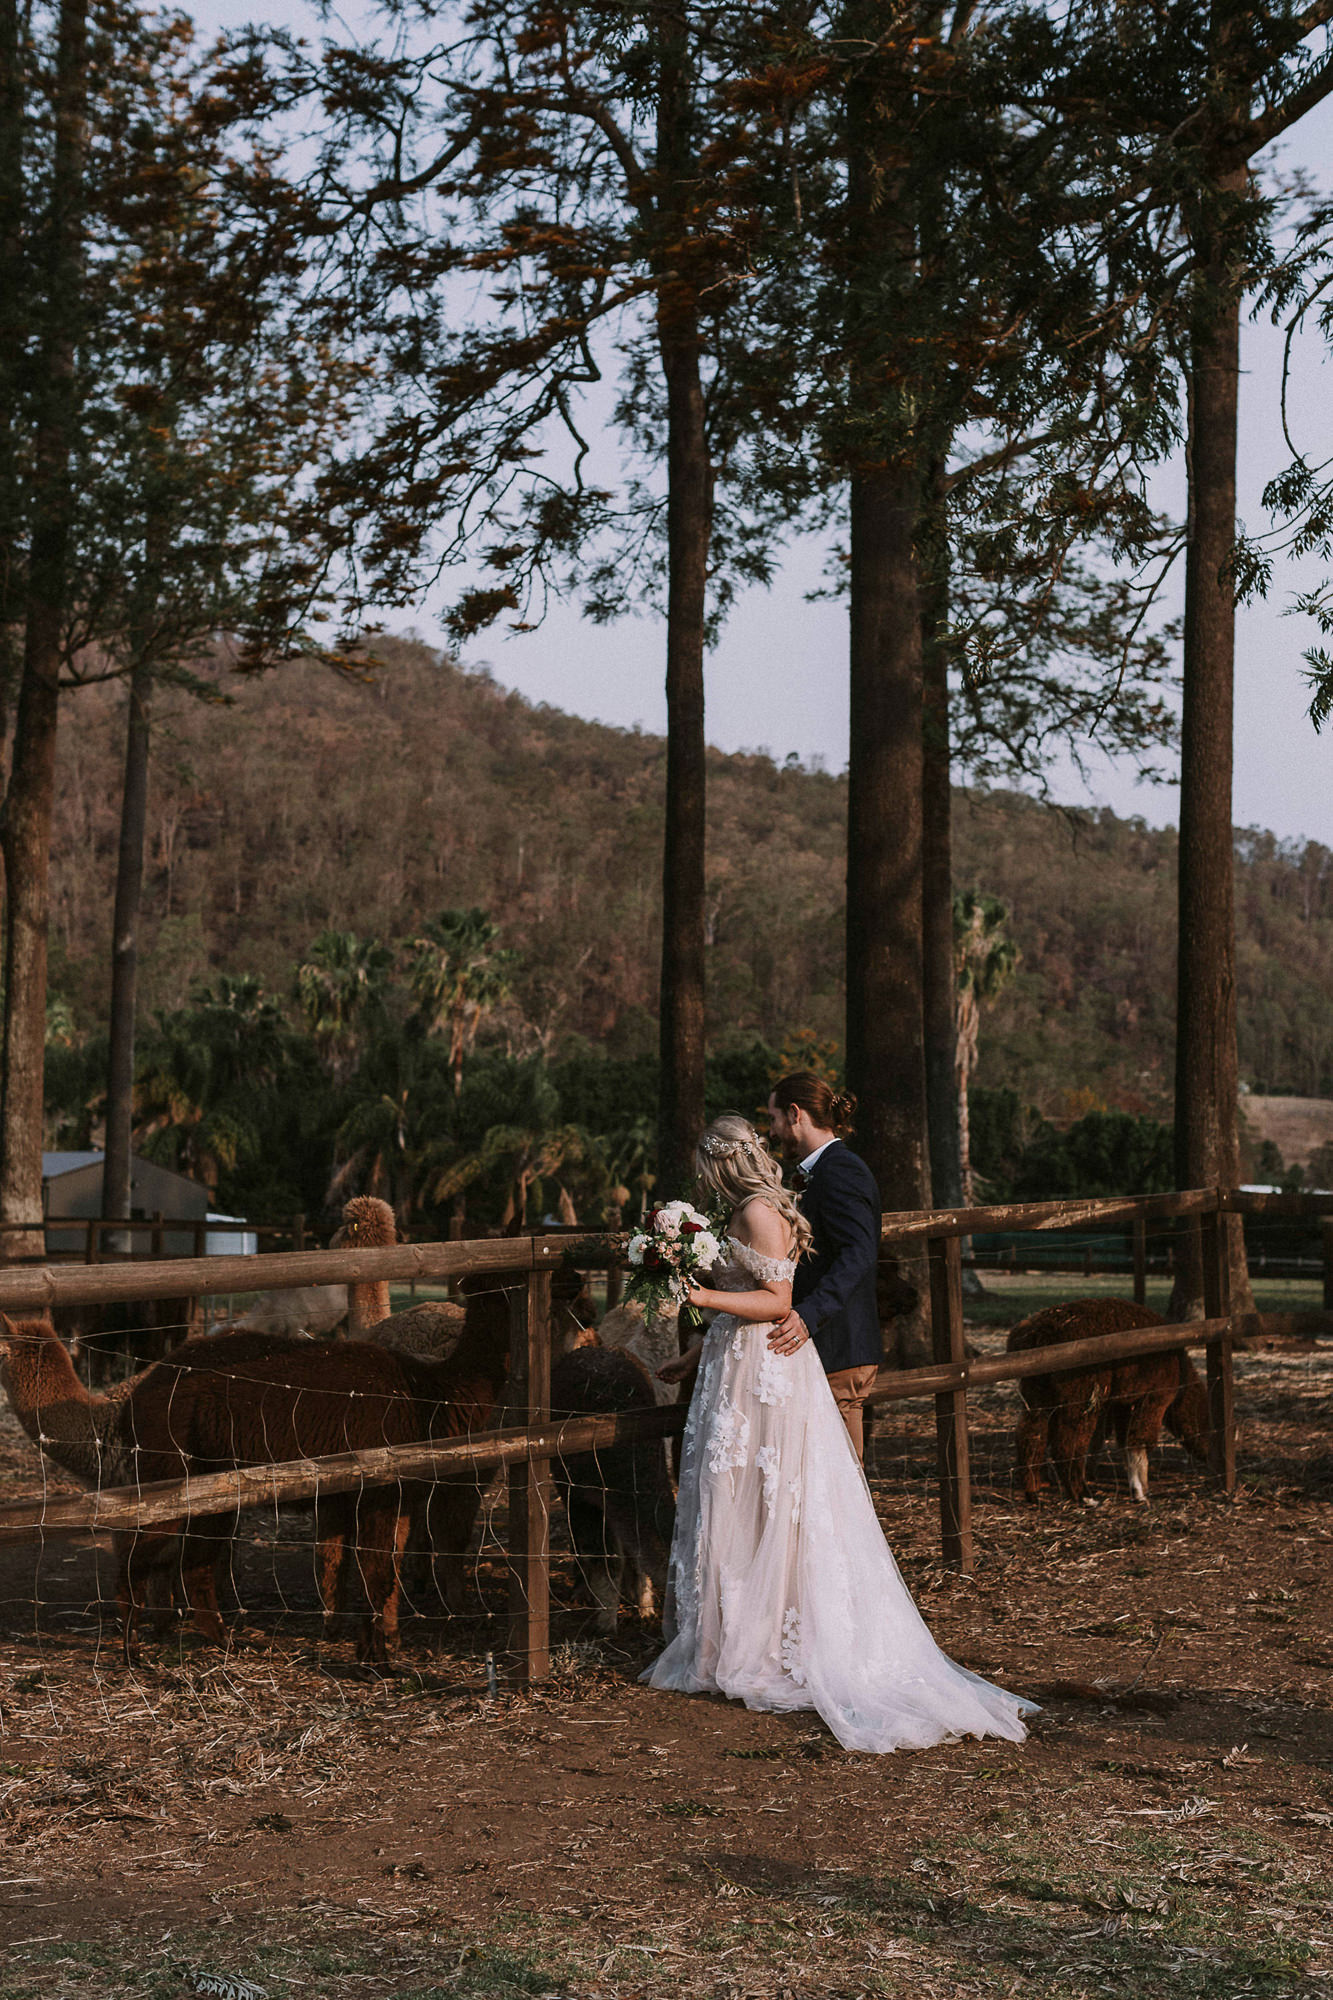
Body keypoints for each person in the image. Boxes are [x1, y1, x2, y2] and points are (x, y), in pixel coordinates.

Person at [641, 1114, 1037, 1755]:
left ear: (722, 1164)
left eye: (704, 1168)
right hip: (733, 1362)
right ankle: (727, 1636)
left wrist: (702, 1298)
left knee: (759, 1496)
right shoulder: (752, 1209)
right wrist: (692, 1353)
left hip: (762, 1368)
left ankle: (759, 1642)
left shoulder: (757, 1214)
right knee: (732, 1495)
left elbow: (775, 1301)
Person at [766, 1072, 881, 1461]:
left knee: (841, 1477)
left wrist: (808, 1315)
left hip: (839, 1343)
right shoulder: (819, 1171)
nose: (773, 1130)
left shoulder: (840, 1170)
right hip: (825, 1344)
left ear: (795, 1114)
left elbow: (858, 1253)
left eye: (774, 1118)